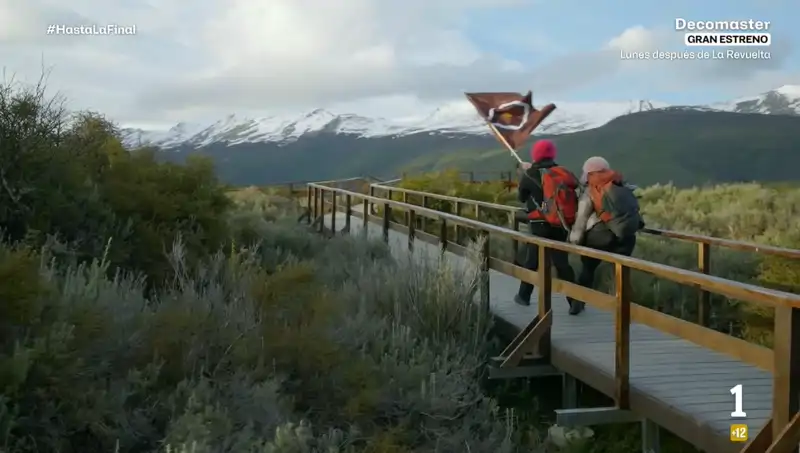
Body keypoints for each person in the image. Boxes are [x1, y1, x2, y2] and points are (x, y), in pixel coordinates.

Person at [514, 139, 583, 315]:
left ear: (535, 154)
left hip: (538, 224)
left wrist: (526, 174)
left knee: (532, 261)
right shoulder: (562, 172)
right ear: (552, 153)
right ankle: (574, 300)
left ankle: (524, 296)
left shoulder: (530, 173)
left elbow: (521, 197)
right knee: (561, 263)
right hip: (560, 222)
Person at [569, 156, 644, 293]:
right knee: (621, 274)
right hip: (626, 236)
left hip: (599, 236)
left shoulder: (590, 190)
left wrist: (575, 241)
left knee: (588, 269)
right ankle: (622, 308)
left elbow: (581, 219)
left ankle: (578, 303)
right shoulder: (621, 184)